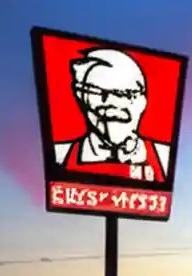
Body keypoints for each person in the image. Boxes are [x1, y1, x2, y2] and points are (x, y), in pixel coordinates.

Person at [52, 48, 171, 182]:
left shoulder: (165, 157)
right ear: (80, 97)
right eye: (99, 92)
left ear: (142, 102)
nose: (112, 103)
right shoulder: (58, 156)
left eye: (126, 94)